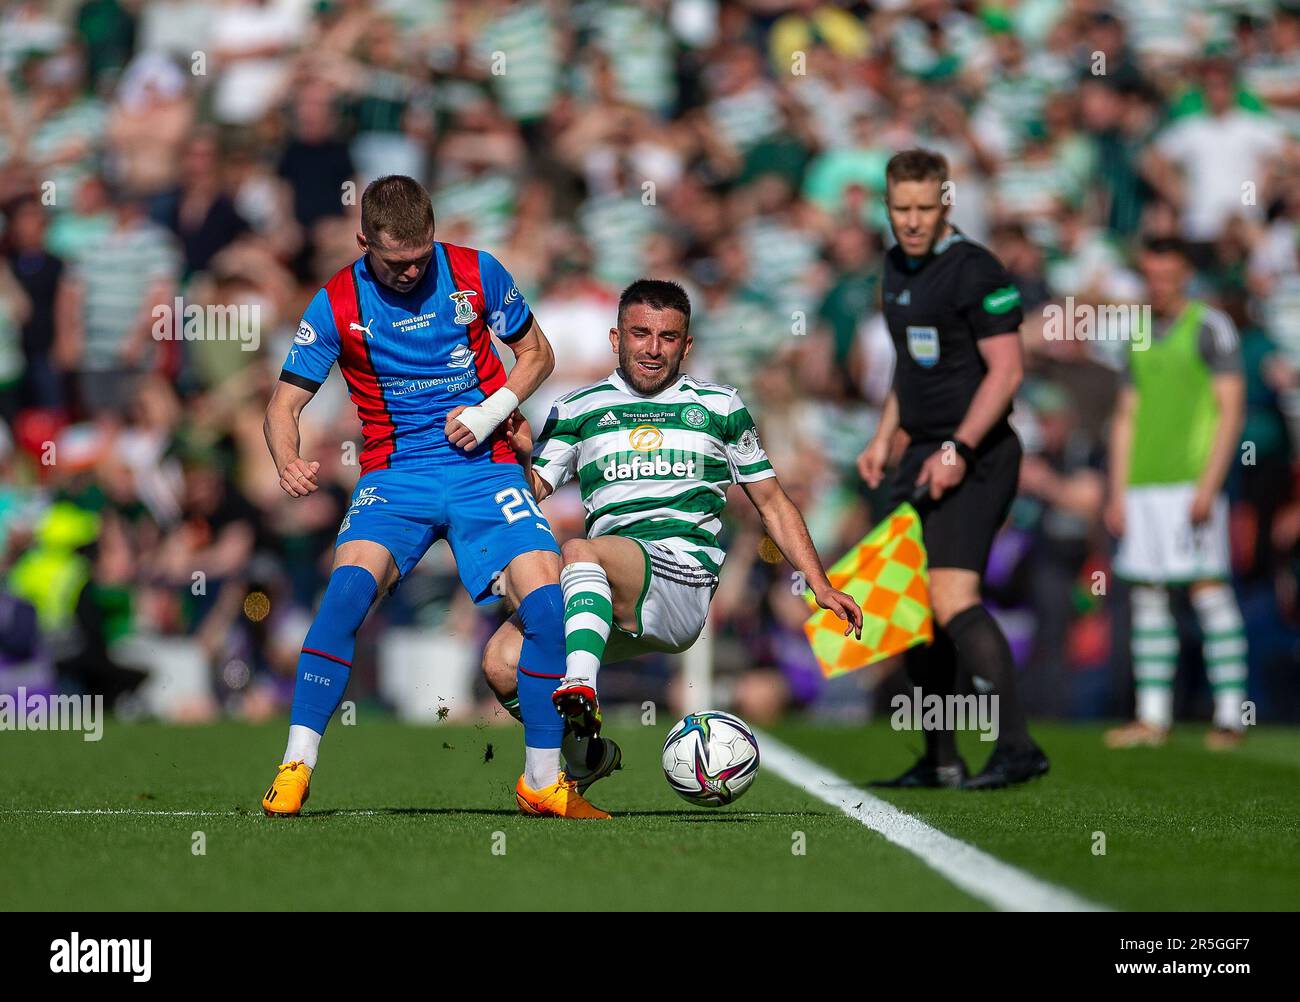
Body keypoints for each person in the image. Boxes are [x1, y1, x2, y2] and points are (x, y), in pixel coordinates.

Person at [259, 175, 581, 818]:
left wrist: (493, 414)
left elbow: (537, 355)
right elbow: (283, 404)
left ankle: (542, 782)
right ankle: (295, 767)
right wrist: (287, 458)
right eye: (395, 261)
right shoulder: (335, 302)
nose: (410, 272)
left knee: (548, 607)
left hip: (485, 469)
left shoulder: (475, 272)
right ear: (363, 241)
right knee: (345, 594)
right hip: (395, 477)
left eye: (419, 258)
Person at [480, 279, 862, 810]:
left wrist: (819, 583)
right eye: (640, 333)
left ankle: (581, 688)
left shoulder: (719, 405)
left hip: (681, 581)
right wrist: (519, 457)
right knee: (502, 661)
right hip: (608, 594)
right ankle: (586, 751)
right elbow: (532, 493)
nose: (652, 347)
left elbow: (771, 502)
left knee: (581, 549)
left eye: (667, 336)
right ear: (616, 337)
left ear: (688, 345)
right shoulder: (576, 408)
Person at [856, 148, 1048, 789]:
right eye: (900, 208)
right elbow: (910, 370)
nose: (911, 221)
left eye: (923, 208)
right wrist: (885, 437)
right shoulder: (893, 266)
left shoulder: (975, 269)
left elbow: (1008, 372)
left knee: (952, 596)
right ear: (888, 207)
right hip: (918, 451)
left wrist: (957, 450)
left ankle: (1017, 745)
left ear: (946, 204)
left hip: (981, 452)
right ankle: (940, 758)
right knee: (906, 605)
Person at [1104, 237, 1247, 750]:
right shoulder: (1137, 334)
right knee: (1147, 596)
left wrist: (1210, 483)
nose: (1159, 286)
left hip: (1190, 481)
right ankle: (1153, 717)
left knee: (1208, 591)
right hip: (1143, 485)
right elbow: (1127, 414)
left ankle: (1231, 715)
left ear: (1185, 275)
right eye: (1151, 276)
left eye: (1168, 276)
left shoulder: (1210, 327)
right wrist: (1117, 491)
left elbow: (1231, 409)